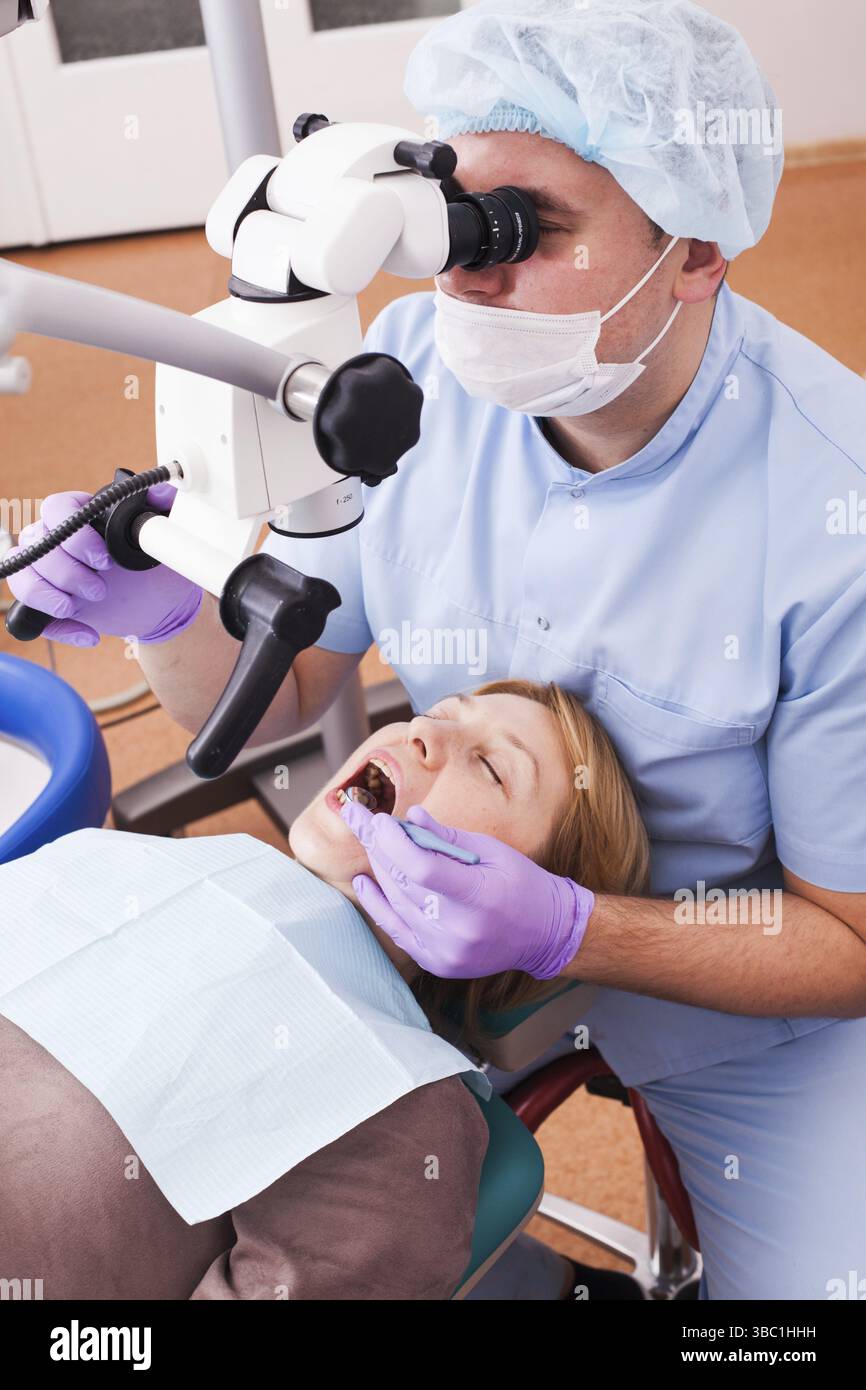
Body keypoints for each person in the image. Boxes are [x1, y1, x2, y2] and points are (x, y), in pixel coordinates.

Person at [7, 0, 866, 1298]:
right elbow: (284, 687)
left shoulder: (833, 517)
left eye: (524, 231)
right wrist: (172, 606)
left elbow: (850, 940)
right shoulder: (414, 367)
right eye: (453, 215)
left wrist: (578, 927)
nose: (464, 272)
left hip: (747, 1010)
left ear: (692, 249)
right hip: (425, 952)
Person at [0, 678, 649, 1299]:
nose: (424, 731)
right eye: (442, 712)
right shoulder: (133, 861)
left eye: (492, 769)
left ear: (519, 896)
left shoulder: (396, 1111)